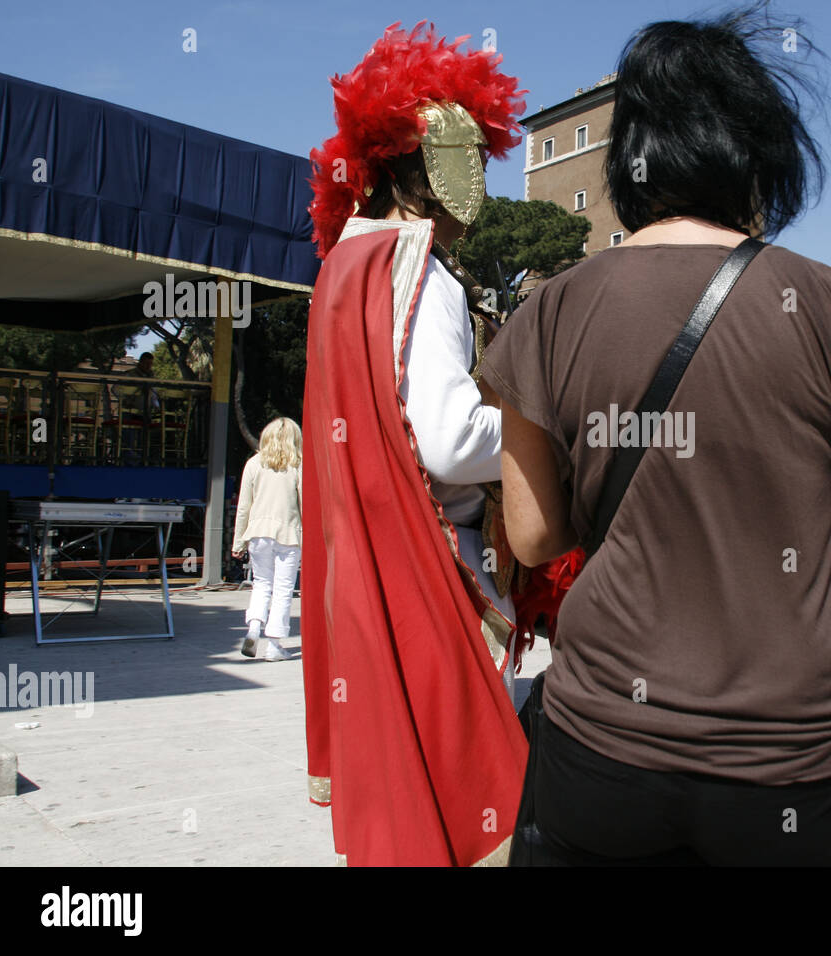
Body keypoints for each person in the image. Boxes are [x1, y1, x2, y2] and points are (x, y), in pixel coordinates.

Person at [484, 11, 831, 866]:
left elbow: (534, 537)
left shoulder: (549, 309)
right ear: (760, 155)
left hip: (604, 733)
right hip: (790, 754)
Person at [302, 22, 553, 866]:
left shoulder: (342, 263)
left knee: (396, 799)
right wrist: (544, 436)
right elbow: (447, 445)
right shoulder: (420, 265)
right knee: (474, 806)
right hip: (434, 563)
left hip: (362, 572)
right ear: (433, 168)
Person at [231, 417, 301, 661]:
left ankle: (253, 627)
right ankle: (274, 644)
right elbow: (306, 505)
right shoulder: (297, 465)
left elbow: (243, 507)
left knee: (261, 583)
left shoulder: (253, 464)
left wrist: (238, 542)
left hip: (258, 533)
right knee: (283, 589)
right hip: (289, 534)